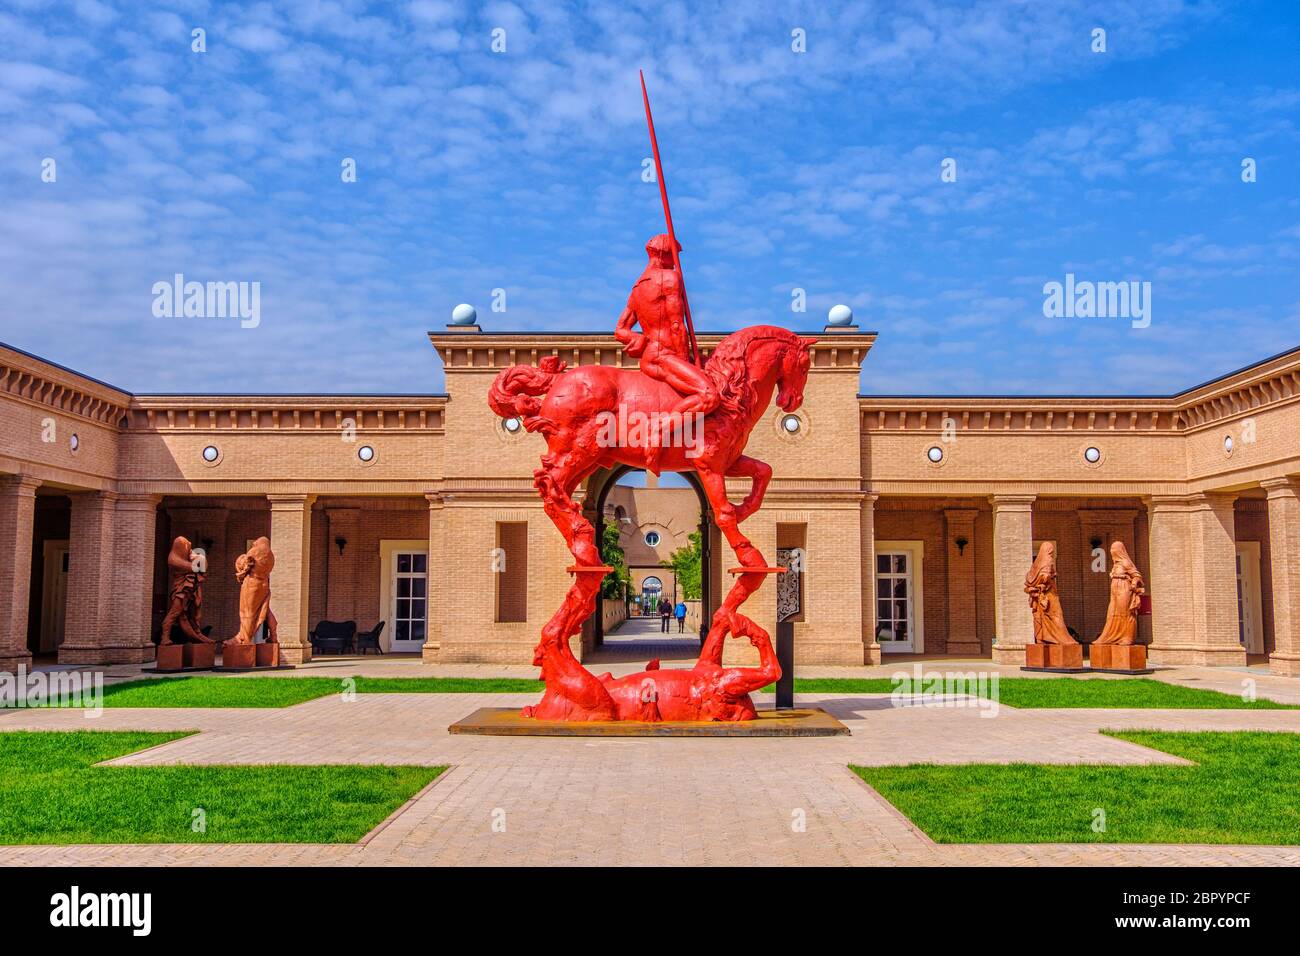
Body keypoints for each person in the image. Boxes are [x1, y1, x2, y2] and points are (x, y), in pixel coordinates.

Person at [614, 234, 719, 472]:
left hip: (651, 357)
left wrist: (639, 339)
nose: (676, 261)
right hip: (667, 356)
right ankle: (658, 429)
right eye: (674, 256)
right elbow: (676, 325)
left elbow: (620, 330)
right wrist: (687, 360)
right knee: (709, 395)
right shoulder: (670, 279)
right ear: (664, 255)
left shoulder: (638, 287)